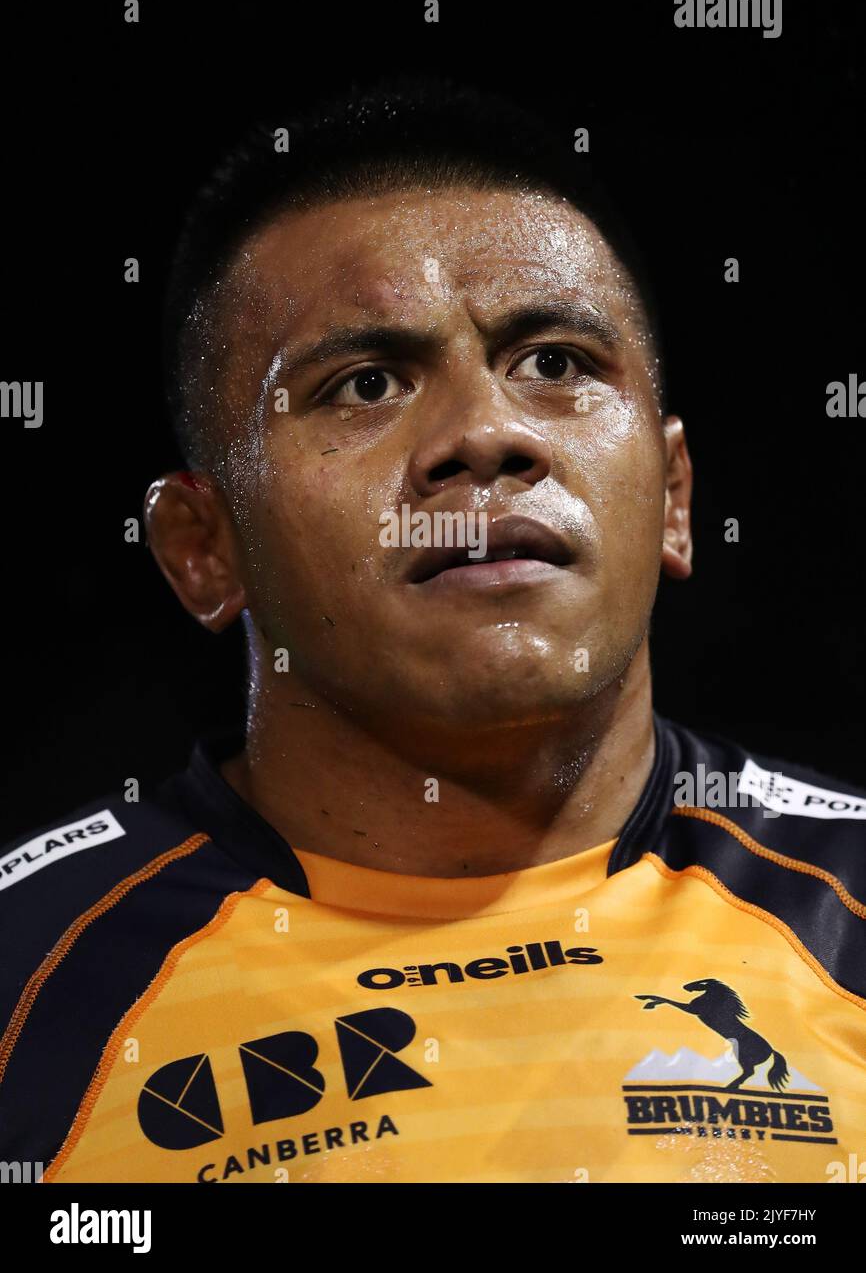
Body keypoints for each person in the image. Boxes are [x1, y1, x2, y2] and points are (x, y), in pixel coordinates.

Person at [1, 77, 864, 1185]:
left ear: (673, 497)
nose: (486, 433)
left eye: (554, 363)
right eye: (365, 384)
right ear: (202, 550)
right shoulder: (29, 974)